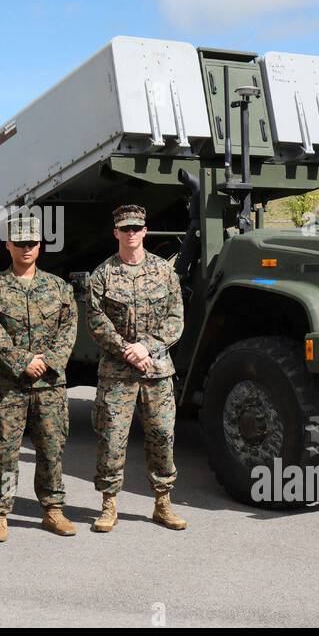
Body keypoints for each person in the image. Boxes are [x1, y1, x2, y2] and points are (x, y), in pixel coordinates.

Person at [0, 212, 78, 542]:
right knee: (5, 450)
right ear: (8, 246)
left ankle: (53, 510)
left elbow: (69, 329)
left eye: (32, 243)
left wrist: (46, 362)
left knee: (51, 448)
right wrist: (23, 361)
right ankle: (0, 513)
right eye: (19, 243)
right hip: (7, 384)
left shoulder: (58, 287)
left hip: (49, 383)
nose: (26, 249)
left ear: (40, 246)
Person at [86, 204, 188, 533]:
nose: (131, 233)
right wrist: (127, 351)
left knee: (162, 437)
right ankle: (108, 506)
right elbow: (96, 323)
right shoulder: (102, 274)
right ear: (116, 232)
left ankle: (163, 503)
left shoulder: (164, 272)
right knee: (112, 439)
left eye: (136, 228)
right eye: (125, 228)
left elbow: (176, 319)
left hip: (156, 371)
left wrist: (147, 347)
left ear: (145, 232)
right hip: (117, 374)